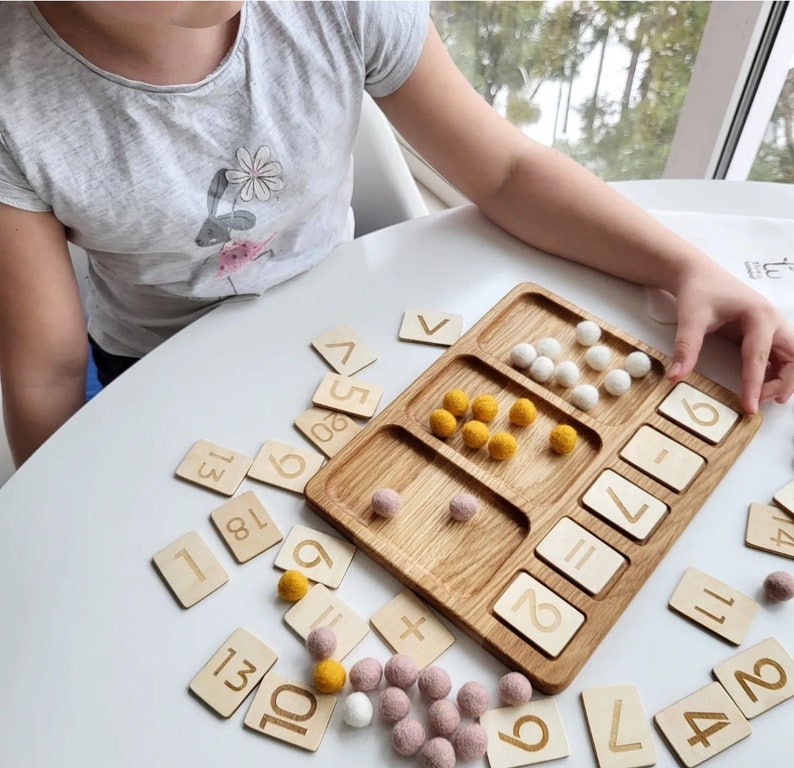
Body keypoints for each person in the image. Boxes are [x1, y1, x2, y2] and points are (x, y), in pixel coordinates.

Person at [1, 1, 793, 469]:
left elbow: (507, 171)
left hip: (346, 324)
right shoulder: (15, 104)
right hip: (156, 362)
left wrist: (682, 264)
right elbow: (44, 375)